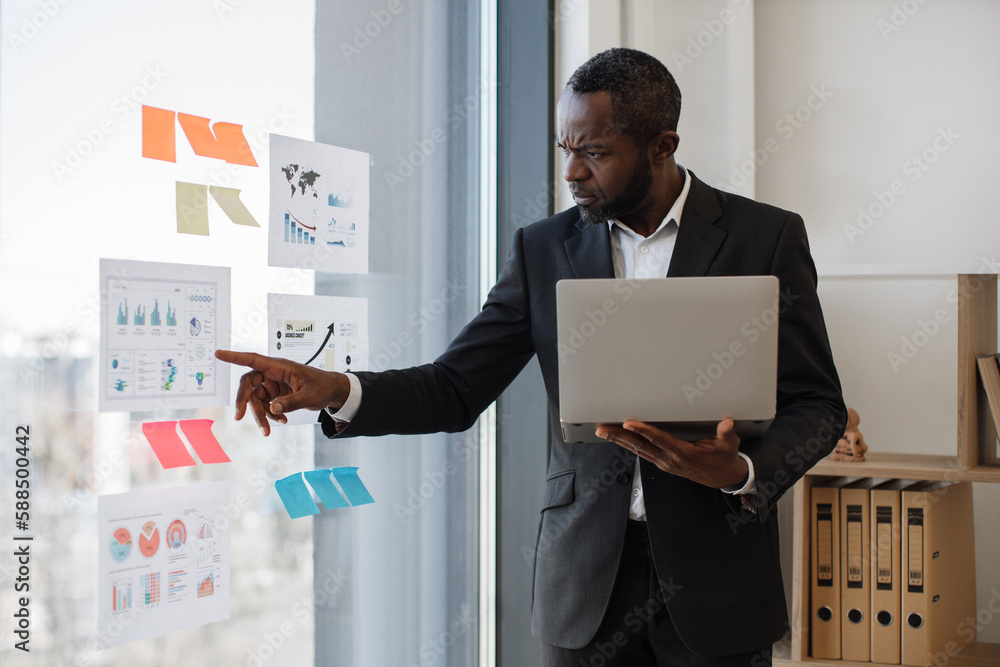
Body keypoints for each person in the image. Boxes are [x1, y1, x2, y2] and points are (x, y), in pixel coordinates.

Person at [217, 48, 846, 667]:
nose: (572, 172)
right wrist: (335, 388)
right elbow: (453, 388)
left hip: (720, 581)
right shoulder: (543, 248)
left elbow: (818, 405)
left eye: (594, 152)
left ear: (662, 147)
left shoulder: (766, 237)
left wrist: (741, 470)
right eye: (564, 148)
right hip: (583, 585)